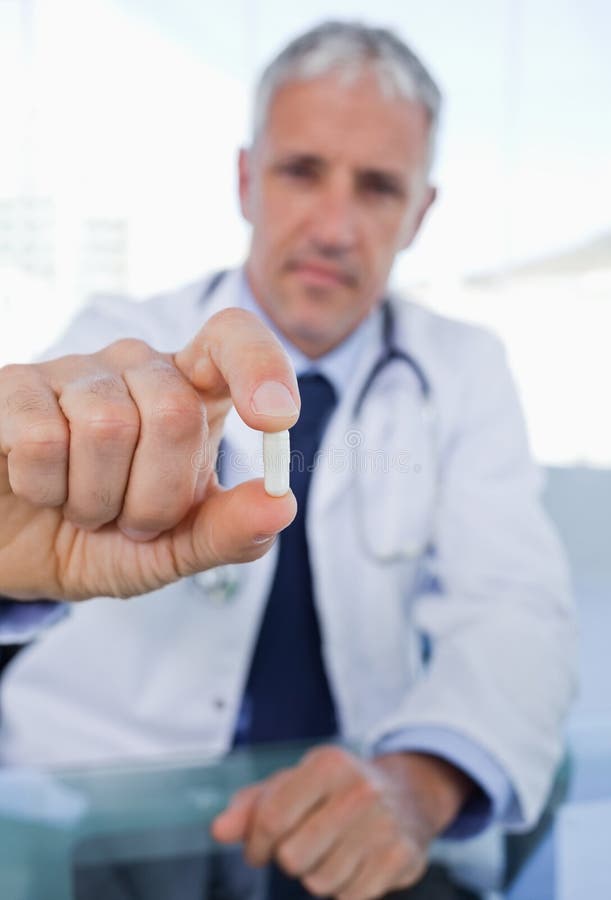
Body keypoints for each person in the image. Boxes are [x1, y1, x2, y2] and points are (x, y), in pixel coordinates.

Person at [0, 21, 576, 900]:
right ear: (245, 180)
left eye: (378, 187)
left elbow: (515, 609)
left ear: (419, 213)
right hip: (90, 816)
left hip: (347, 816)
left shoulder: (463, 368)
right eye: (301, 171)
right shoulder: (117, 340)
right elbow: (25, 522)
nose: (335, 227)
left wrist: (420, 781)